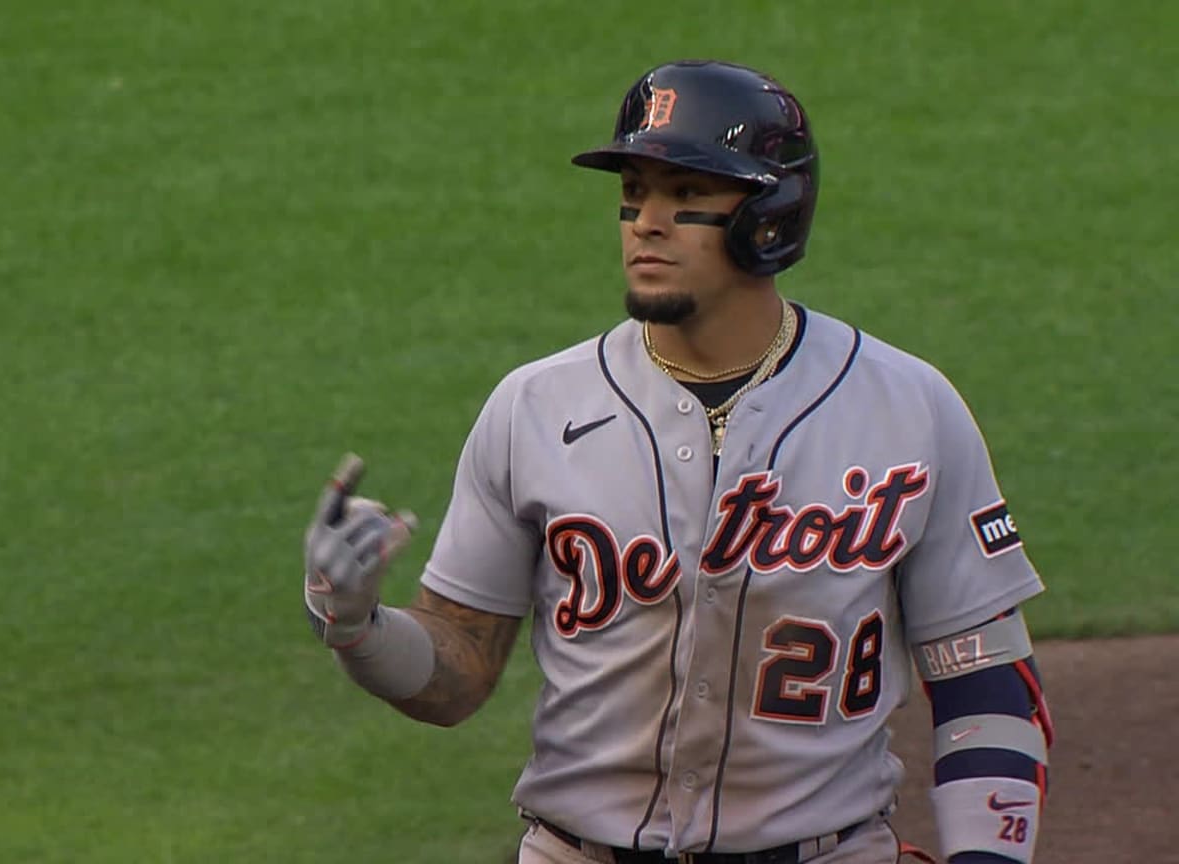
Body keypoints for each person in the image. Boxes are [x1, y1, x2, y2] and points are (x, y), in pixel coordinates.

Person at [301, 60, 1051, 864]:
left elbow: (985, 685)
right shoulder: (534, 409)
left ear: (770, 215)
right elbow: (457, 674)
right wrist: (357, 625)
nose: (645, 223)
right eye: (634, 192)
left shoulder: (908, 408)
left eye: (684, 196)